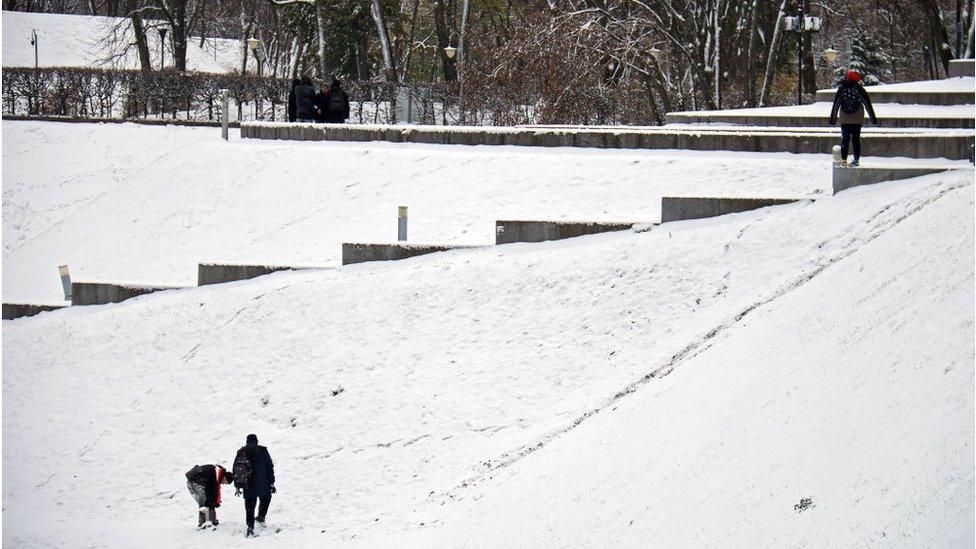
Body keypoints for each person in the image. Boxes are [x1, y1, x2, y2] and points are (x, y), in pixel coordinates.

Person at [828, 70, 878, 167]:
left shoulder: (842, 89)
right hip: (857, 118)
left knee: (845, 139)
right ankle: (856, 159)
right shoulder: (859, 89)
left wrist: (832, 120)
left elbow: (836, 104)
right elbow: (867, 104)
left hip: (845, 118)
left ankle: (843, 159)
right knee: (856, 139)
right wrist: (873, 119)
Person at [234, 434, 275, 537]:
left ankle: (250, 528)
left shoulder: (241, 452)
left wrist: (237, 485)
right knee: (265, 500)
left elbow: (236, 468)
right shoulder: (263, 450)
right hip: (263, 483)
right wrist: (272, 482)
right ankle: (261, 517)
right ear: (256, 441)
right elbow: (269, 466)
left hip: (248, 484)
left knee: (249, 507)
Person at [185, 464, 234, 528]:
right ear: (225, 477)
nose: (223, 484)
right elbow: (212, 491)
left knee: (205, 503)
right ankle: (206, 523)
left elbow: (211, 490)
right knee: (206, 503)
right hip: (197, 483)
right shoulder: (216, 475)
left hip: (192, 482)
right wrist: (213, 503)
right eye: (225, 482)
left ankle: (206, 522)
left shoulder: (217, 471)